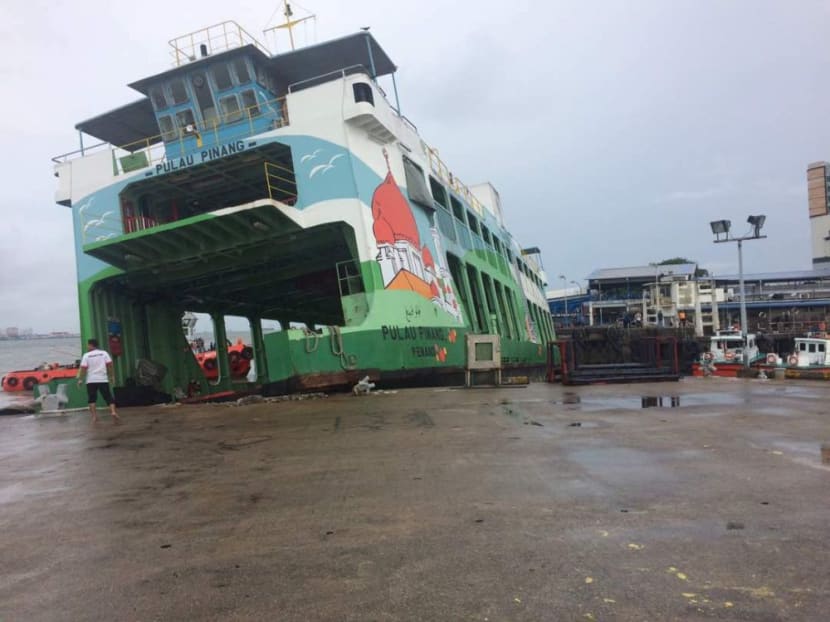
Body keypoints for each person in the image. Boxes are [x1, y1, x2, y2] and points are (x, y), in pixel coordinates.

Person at [77, 338, 121, 425]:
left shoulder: (86, 355)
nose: (87, 346)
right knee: (108, 397)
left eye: (88, 345)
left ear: (91, 345)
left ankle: (94, 417)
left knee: (92, 399)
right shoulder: (104, 353)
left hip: (91, 380)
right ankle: (113, 412)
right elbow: (110, 365)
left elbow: (83, 369)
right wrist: (112, 376)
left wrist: (80, 379)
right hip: (103, 379)